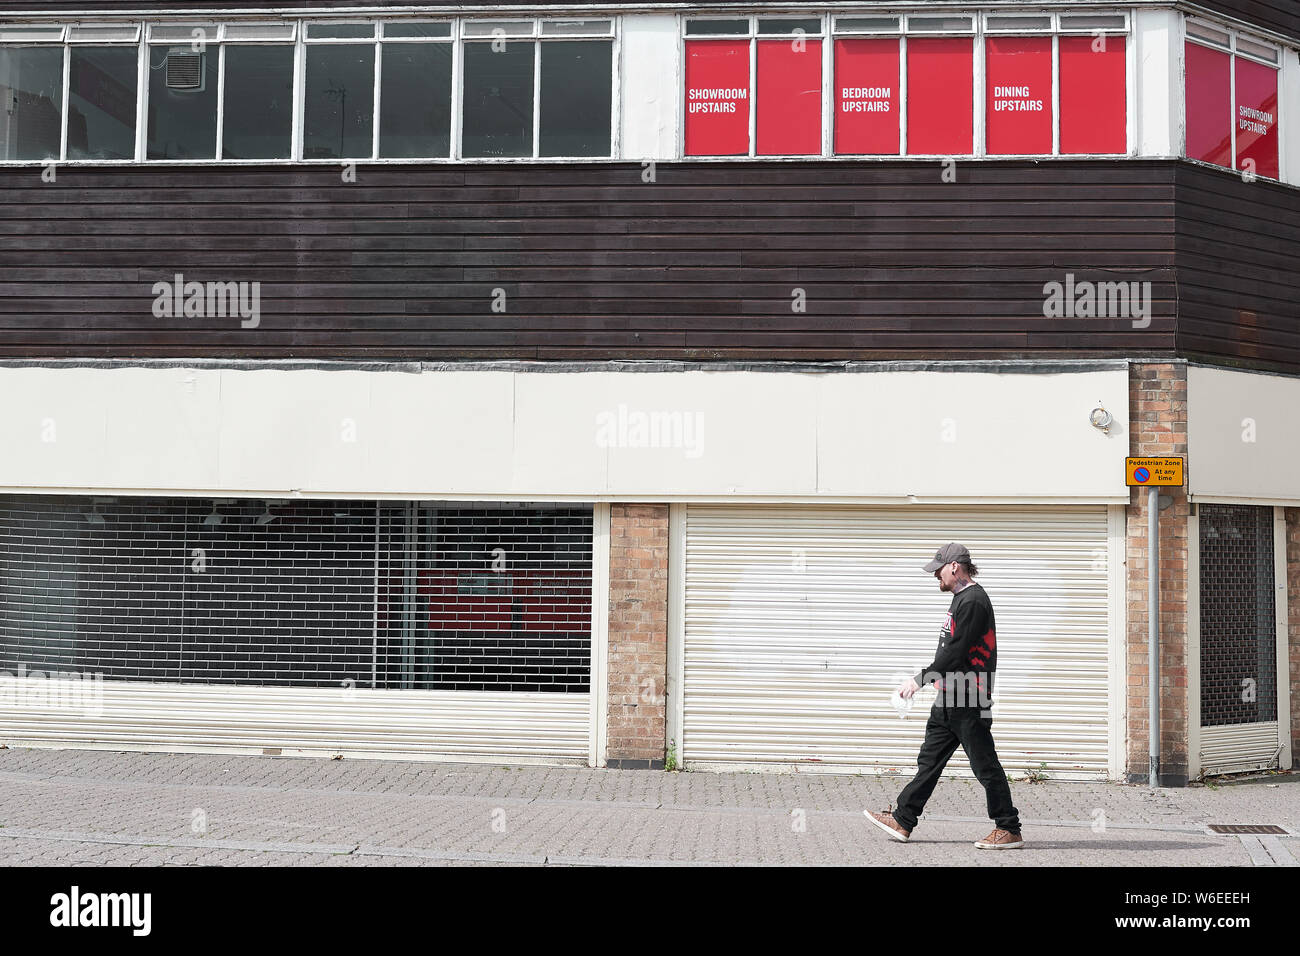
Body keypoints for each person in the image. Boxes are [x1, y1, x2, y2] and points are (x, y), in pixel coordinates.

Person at [864, 543, 1024, 849]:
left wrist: (920, 679)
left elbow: (956, 651)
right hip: (950, 698)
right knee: (929, 761)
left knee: (985, 765)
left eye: (939, 569)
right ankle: (903, 818)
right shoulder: (962, 599)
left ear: (955, 567)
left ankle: (1009, 828)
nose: (935, 575)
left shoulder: (974, 601)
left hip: (969, 698)